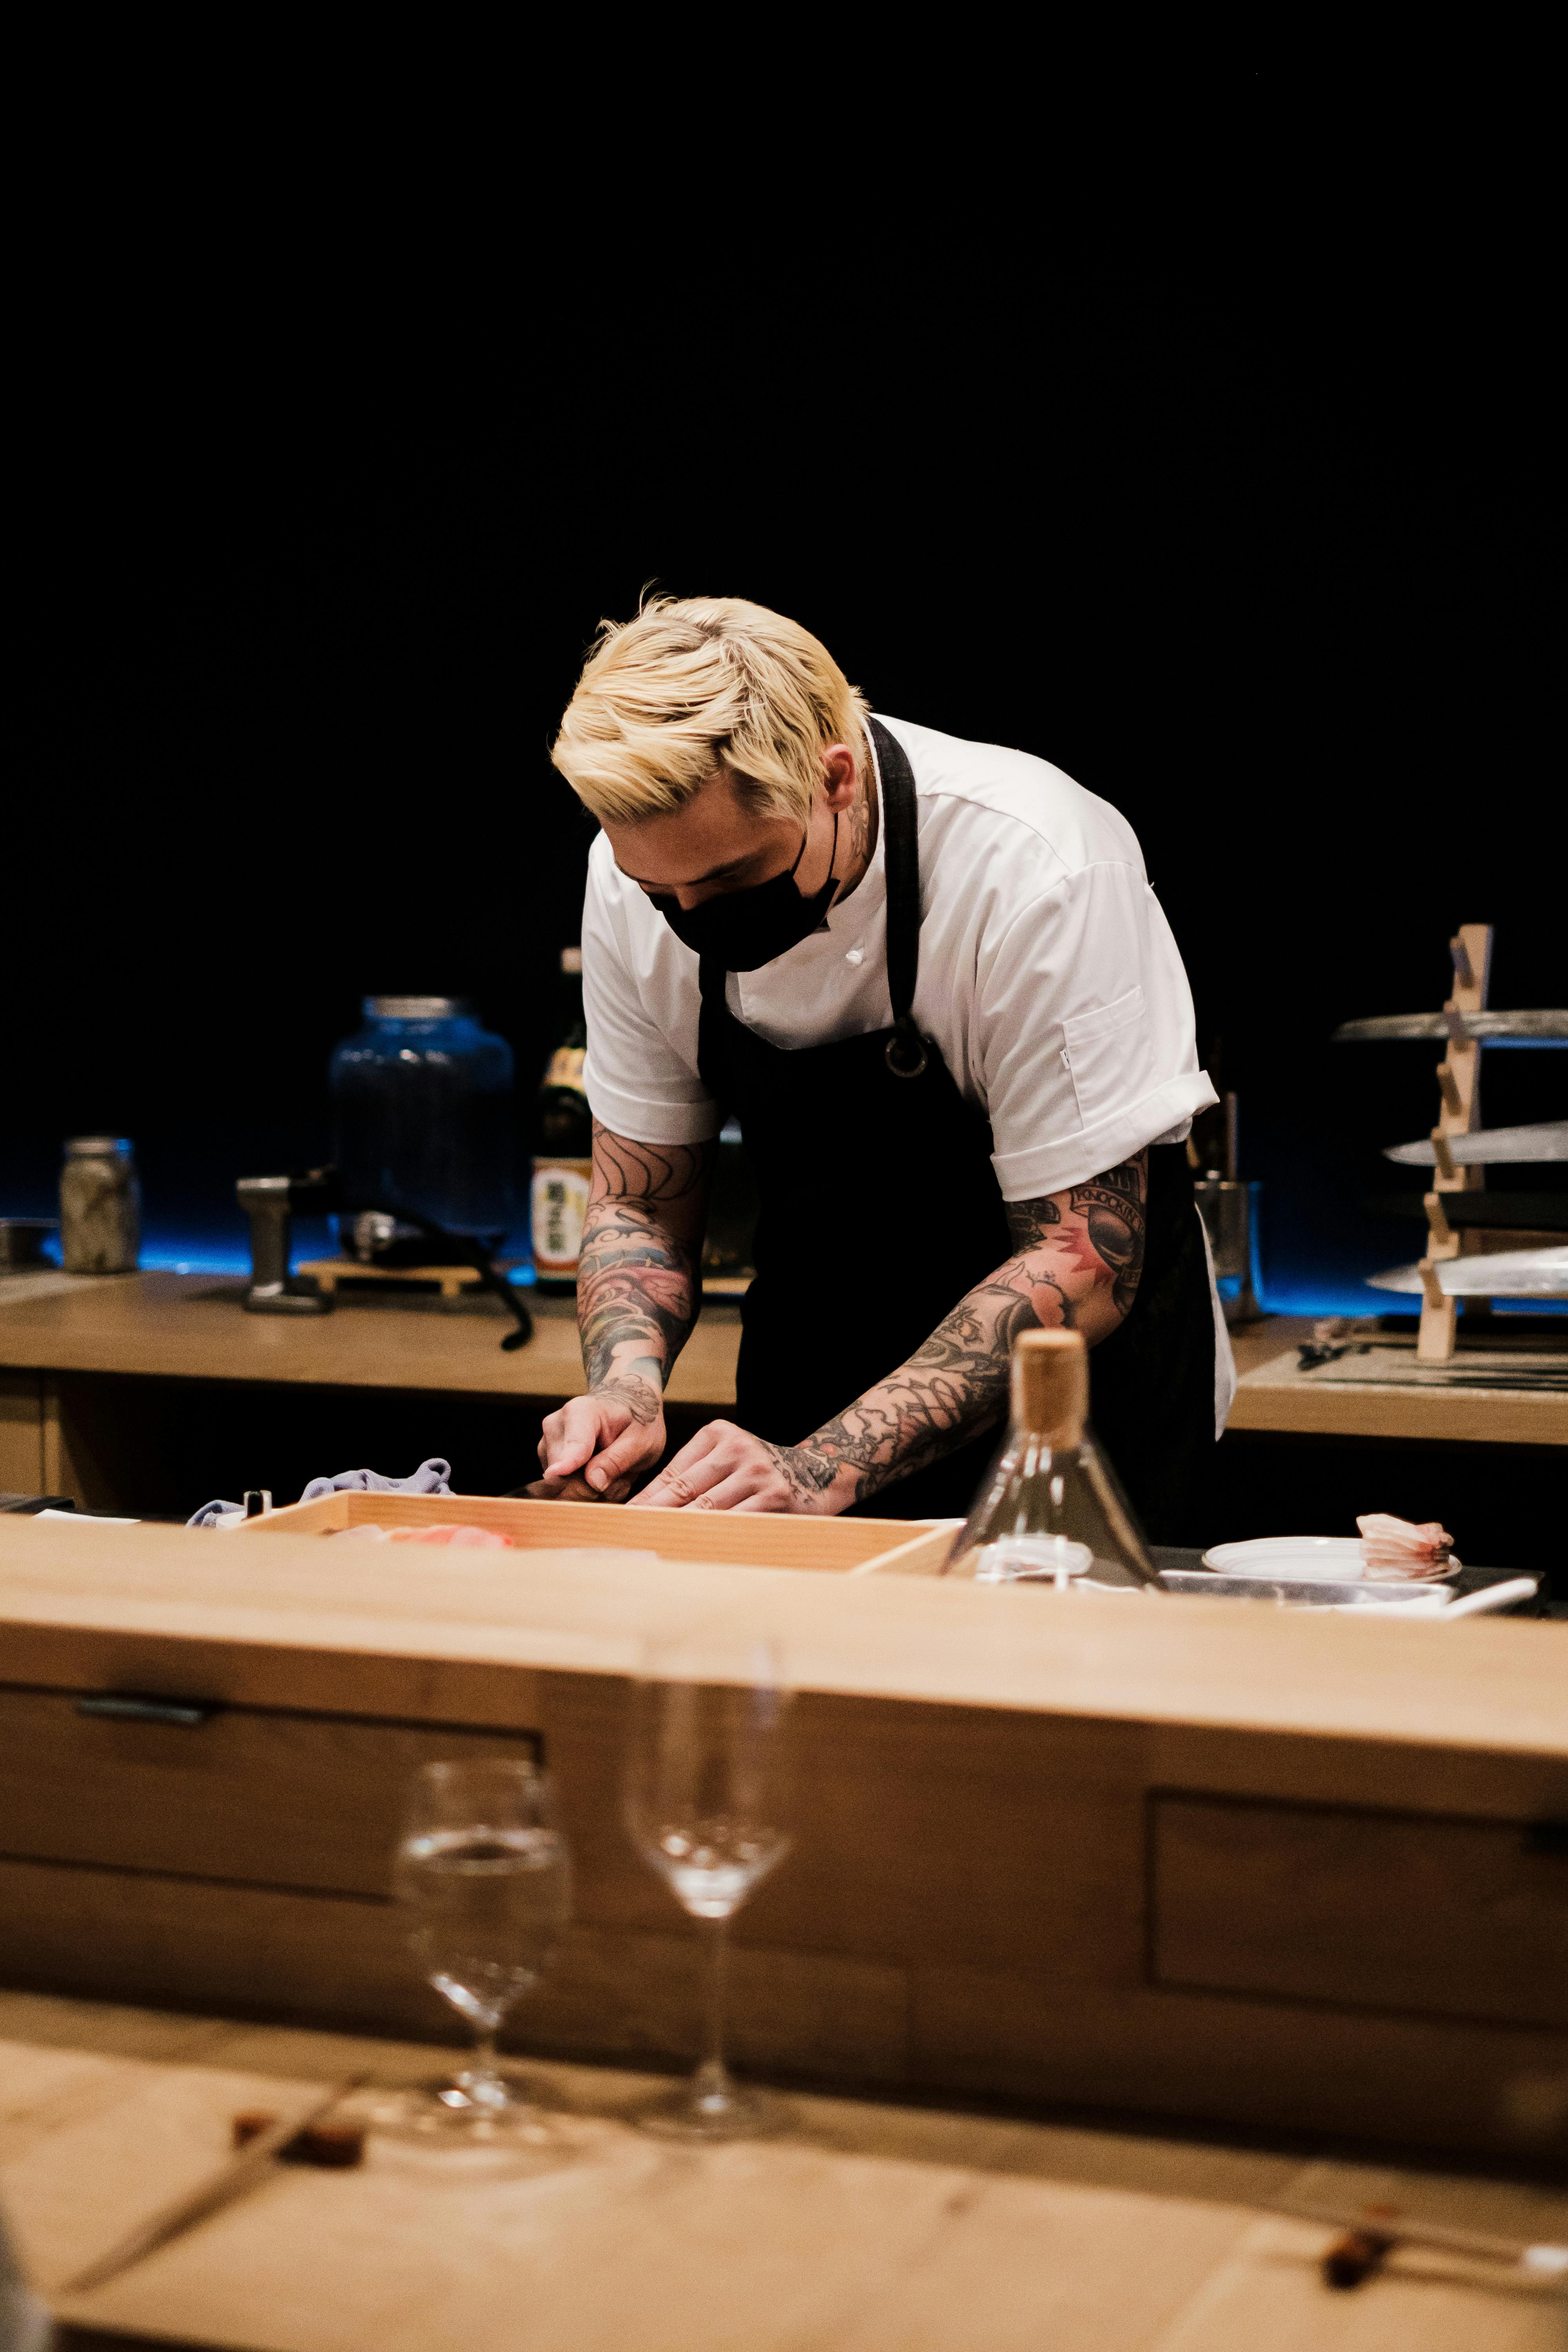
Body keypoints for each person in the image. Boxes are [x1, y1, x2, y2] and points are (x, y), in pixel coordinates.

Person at [535, 597, 1232, 1534]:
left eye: (734, 878)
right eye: (659, 891)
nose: (690, 913)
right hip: (804, 1392)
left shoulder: (1035, 866)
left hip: (1074, 1440)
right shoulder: (630, 870)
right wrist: (627, 1387)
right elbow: (643, 1199)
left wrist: (825, 1465)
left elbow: (1080, 1257)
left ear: (831, 778)